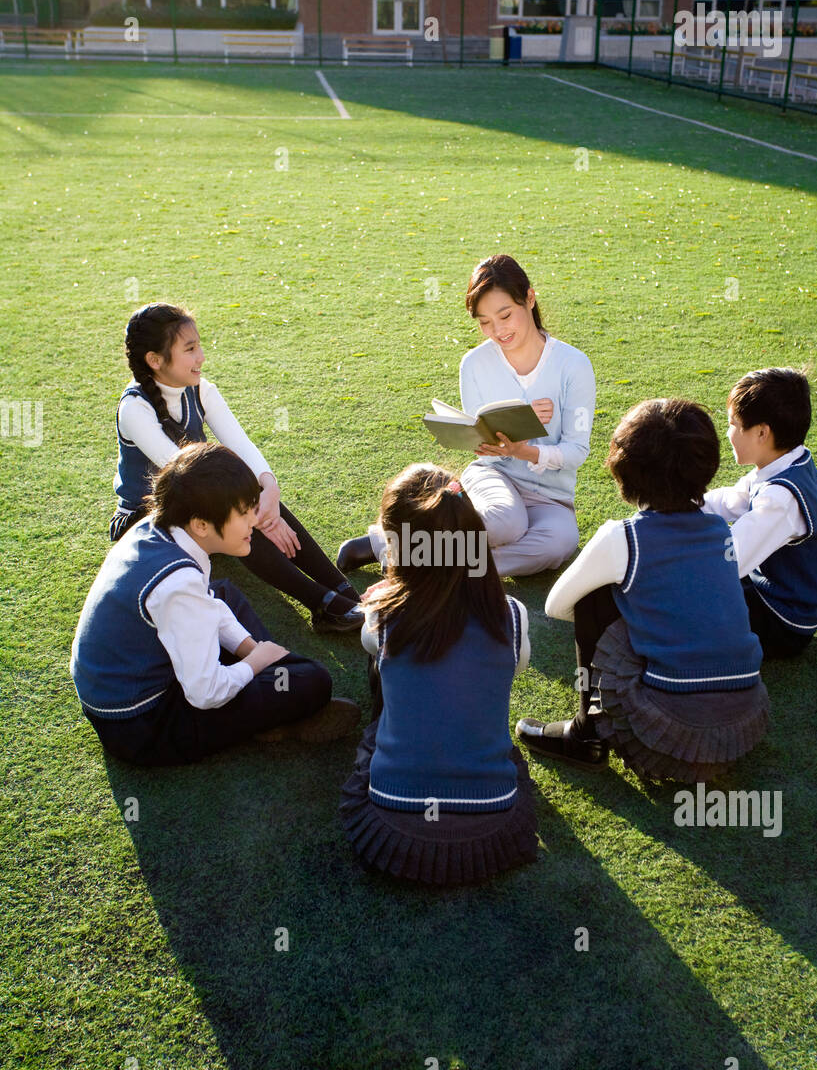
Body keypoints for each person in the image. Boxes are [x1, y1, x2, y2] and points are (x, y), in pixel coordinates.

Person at [516, 399, 770, 782]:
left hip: (670, 722)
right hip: (743, 717)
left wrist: (632, 609)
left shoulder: (624, 536)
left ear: (624, 468)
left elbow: (557, 605)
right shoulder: (720, 529)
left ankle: (585, 734)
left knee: (594, 597)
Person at [71, 443, 360, 766]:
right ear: (201, 524)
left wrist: (251, 648)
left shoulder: (162, 527)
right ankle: (281, 711)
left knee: (223, 595)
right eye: (244, 512)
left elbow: (208, 604)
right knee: (313, 681)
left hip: (128, 682)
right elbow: (205, 692)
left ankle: (279, 690)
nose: (255, 520)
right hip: (143, 725)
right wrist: (256, 663)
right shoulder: (177, 585)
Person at [339, 463, 539, 885]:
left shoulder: (381, 618)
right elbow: (512, 668)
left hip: (391, 827)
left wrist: (388, 597)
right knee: (505, 749)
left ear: (397, 547)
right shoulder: (513, 616)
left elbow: (374, 650)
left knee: (383, 679)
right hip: (494, 826)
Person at [336, 254, 595, 579]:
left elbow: (577, 451)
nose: (497, 330)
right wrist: (497, 444)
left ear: (529, 298)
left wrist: (522, 449)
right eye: (485, 322)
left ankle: (414, 559)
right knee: (506, 522)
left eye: (505, 315)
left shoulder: (573, 365)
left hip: (551, 498)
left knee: (559, 543)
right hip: (494, 477)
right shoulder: (474, 364)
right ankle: (399, 544)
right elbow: (481, 442)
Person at [111, 302, 363, 634]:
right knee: (233, 509)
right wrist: (256, 515)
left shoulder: (201, 389)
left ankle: (347, 593)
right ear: (155, 360)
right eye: (189, 349)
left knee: (252, 498)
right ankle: (323, 605)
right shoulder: (135, 408)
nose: (201, 356)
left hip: (197, 507)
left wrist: (268, 489)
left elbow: (241, 445)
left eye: (199, 345)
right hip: (148, 520)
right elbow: (187, 481)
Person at [702, 367, 817, 658]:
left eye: (733, 424)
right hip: (767, 588)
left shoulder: (781, 497)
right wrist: (681, 503)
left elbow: (726, 561)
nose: (727, 433)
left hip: (783, 620)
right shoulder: (786, 461)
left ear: (762, 433)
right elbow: (730, 500)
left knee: (686, 598)